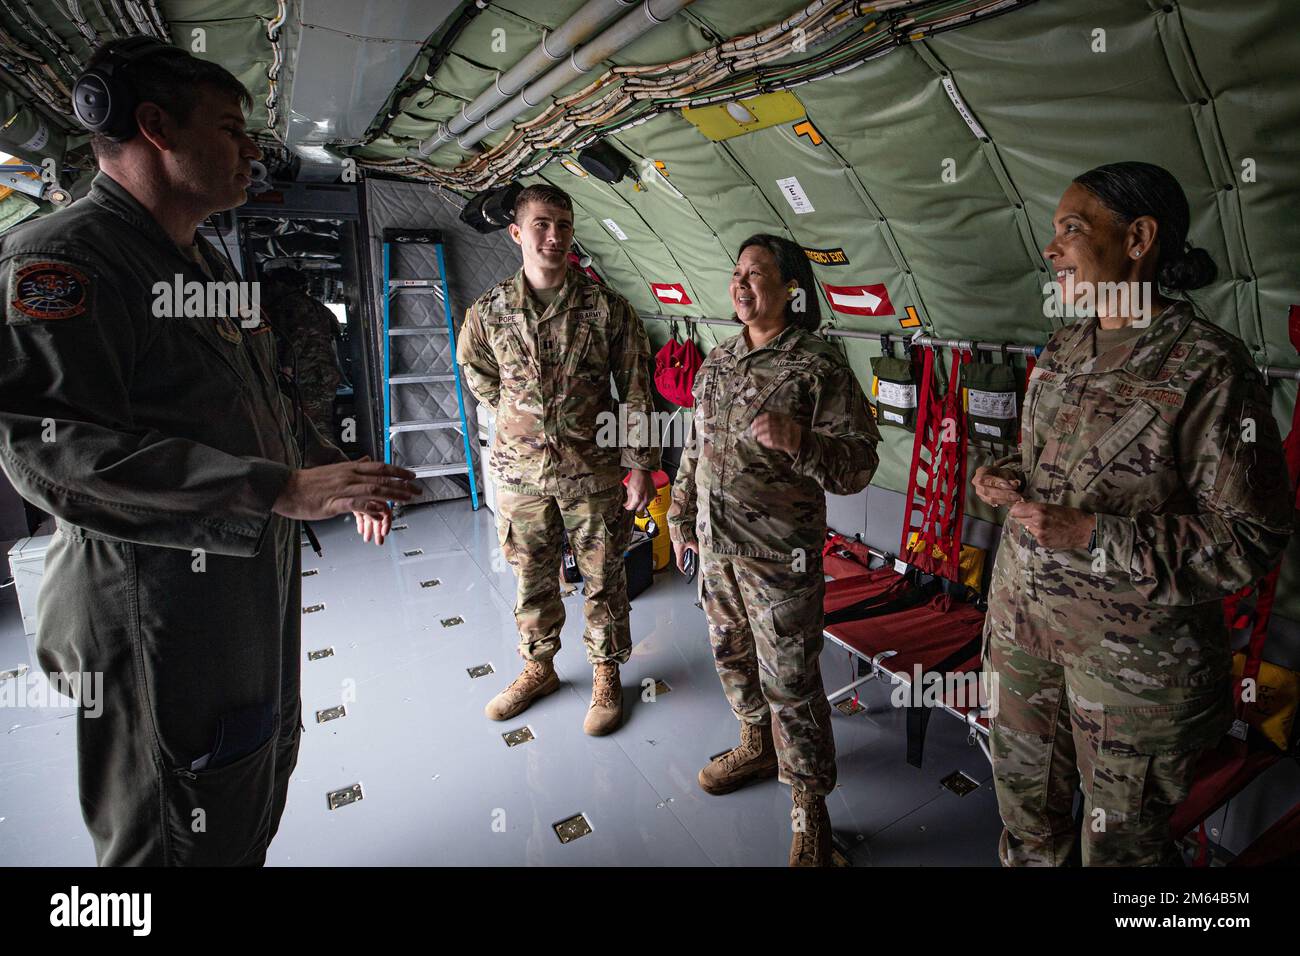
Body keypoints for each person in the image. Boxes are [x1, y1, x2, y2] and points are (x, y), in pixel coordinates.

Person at [0, 37, 418, 866]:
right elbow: (56, 457)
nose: (250, 150)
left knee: (241, 779)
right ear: (154, 127)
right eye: (229, 128)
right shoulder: (65, 261)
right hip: (151, 608)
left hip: (234, 585)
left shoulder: (193, 258)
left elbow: (255, 401)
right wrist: (275, 490)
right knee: (172, 825)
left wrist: (334, 481)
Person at [973, 161, 1293, 866]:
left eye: (1072, 230)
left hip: (1134, 669)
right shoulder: (1063, 349)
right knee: (1026, 819)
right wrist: (1005, 479)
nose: (1051, 249)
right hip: (1026, 631)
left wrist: (1093, 535)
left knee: (1121, 849)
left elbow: (1250, 537)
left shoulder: (1209, 367)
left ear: (1140, 237)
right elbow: (1056, 472)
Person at [666, 234, 881, 866]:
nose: (742, 283)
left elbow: (859, 466)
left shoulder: (818, 365)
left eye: (757, 273)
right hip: (717, 551)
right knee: (732, 659)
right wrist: (680, 514)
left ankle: (810, 809)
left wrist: (802, 443)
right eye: (736, 272)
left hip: (778, 560)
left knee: (792, 681)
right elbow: (694, 449)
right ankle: (756, 745)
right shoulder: (720, 359)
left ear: (790, 288)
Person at [456, 183, 659, 736]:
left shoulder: (606, 308)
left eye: (563, 226)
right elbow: (475, 370)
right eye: (542, 225)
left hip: (592, 472)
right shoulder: (490, 310)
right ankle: (538, 667)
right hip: (520, 475)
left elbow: (636, 388)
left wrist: (639, 463)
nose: (553, 236)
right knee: (531, 576)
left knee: (603, 575)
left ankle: (605, 671)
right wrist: (518, 414)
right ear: (517, 233)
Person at [261, 267, 343, 440]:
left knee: (312, 427)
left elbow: (297, 336)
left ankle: (327, 463)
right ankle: (330, 461)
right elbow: (336, 329)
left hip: (309, 375)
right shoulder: (316, 305)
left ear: (281, 284)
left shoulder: (291, 303)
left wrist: (287, 366)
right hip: (324, 373)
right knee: (318, 424)